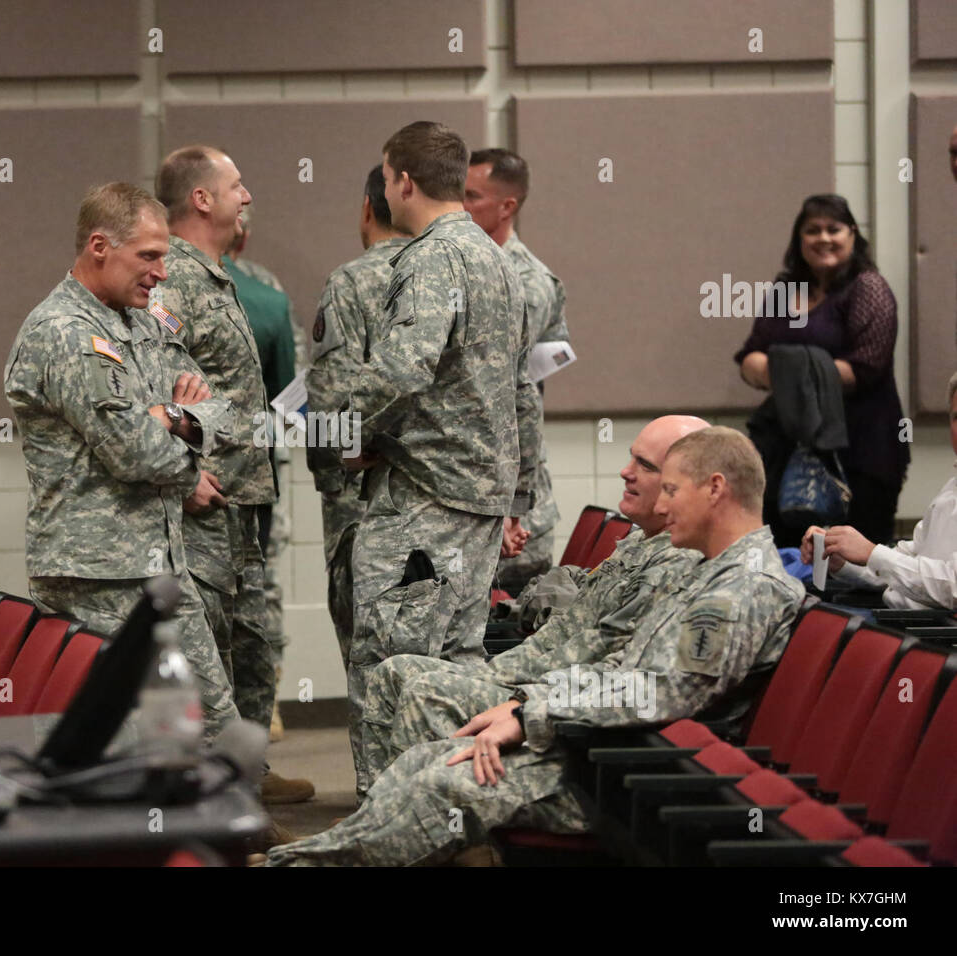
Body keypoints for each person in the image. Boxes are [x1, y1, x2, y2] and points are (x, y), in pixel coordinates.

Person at [266, 426, 803, 866]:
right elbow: (624, 666)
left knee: (437, 780)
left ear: (714, 489)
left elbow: (660, 694)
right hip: (598, 744)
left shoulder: (743, 588)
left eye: (672, 489)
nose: (662, 506)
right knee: (427, 763)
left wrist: (531, 713)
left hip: (630, 774)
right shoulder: (718, 573)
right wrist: (528, 705)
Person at [357, 415, 710, 794]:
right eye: (631, 458)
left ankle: (436, 828)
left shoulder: (677, 560)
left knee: (425, 692)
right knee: (394, 671)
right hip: (540, 675)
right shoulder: (642, 541)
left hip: (559, 694)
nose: (626, 472)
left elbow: (600, 657)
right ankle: (377, 807)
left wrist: (509, 687)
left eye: (646, 466)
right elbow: (563, 631)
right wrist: (496, 671)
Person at [3, 182, 239, 741]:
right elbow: (133, 450)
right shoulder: (64, 332)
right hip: (97, 575)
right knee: (130, 734)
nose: (162, 273)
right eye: (150, 256)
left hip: (157, 564)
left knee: (211, 723)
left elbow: (221, 409)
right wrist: (180, 450)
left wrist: (173, 418)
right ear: (100, 246)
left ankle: (222, 829)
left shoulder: (142, 321)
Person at [338, 121, 527, 799]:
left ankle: (388, 820)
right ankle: (455, 813)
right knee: (457, 666)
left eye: (385, 177)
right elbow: (519, 390)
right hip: (478, 499)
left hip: (422, 499)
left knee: (392, 669)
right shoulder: (499, 262)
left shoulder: (429, 259)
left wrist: (348, 434)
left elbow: (401, 369)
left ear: (402, 183)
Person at [154, 146, 313, 804]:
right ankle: (213, 802)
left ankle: (244, 779)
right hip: (202, 501)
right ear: (202, 199)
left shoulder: (224, 278)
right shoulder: (172, 281)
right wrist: (210, 449)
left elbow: (257, 398)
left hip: (242, 498)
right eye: (236, 186)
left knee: (248, 638)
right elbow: (160, 393)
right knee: (205, 652)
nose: (247, 197)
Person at [735, 194, 909, 547]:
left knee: (851, 563)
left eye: (834, 229)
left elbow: (865, 368)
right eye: (812, 230)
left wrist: (784, 369)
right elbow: (750, 358)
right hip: (785, 450)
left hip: (860, 450)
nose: (823, 238)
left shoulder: (868, 287)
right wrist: (806, 370)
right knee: (787, 554)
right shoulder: (786, 288)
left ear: (852, 234)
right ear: (799, 239)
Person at [305, 164, 412, 669]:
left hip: (367, 513)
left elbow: (331, 412)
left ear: (368, 208)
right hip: (458, 518)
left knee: (372, 675)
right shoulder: (471, 273)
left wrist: (339, 458)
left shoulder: (351, 283)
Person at [464, 147, 571, 591]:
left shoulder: (528, 282)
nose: (460, 207)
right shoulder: (465, 269)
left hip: (513, 500)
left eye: (472, 197)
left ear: (507, 206)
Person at [221, 205, 298, 741]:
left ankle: (258, 709)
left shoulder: (264, 290)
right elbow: (292, 399)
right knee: (246, 597)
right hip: (233, 475)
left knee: (256, 595)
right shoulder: (264, 297)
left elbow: (288, 398)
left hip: (252, 473)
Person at [800, 370, 957, 610]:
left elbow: (952, 587)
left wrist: (872, 553)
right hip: (899, 622)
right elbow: (909, 564)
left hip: (926, 637)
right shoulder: (951, 488)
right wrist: (843, 559)